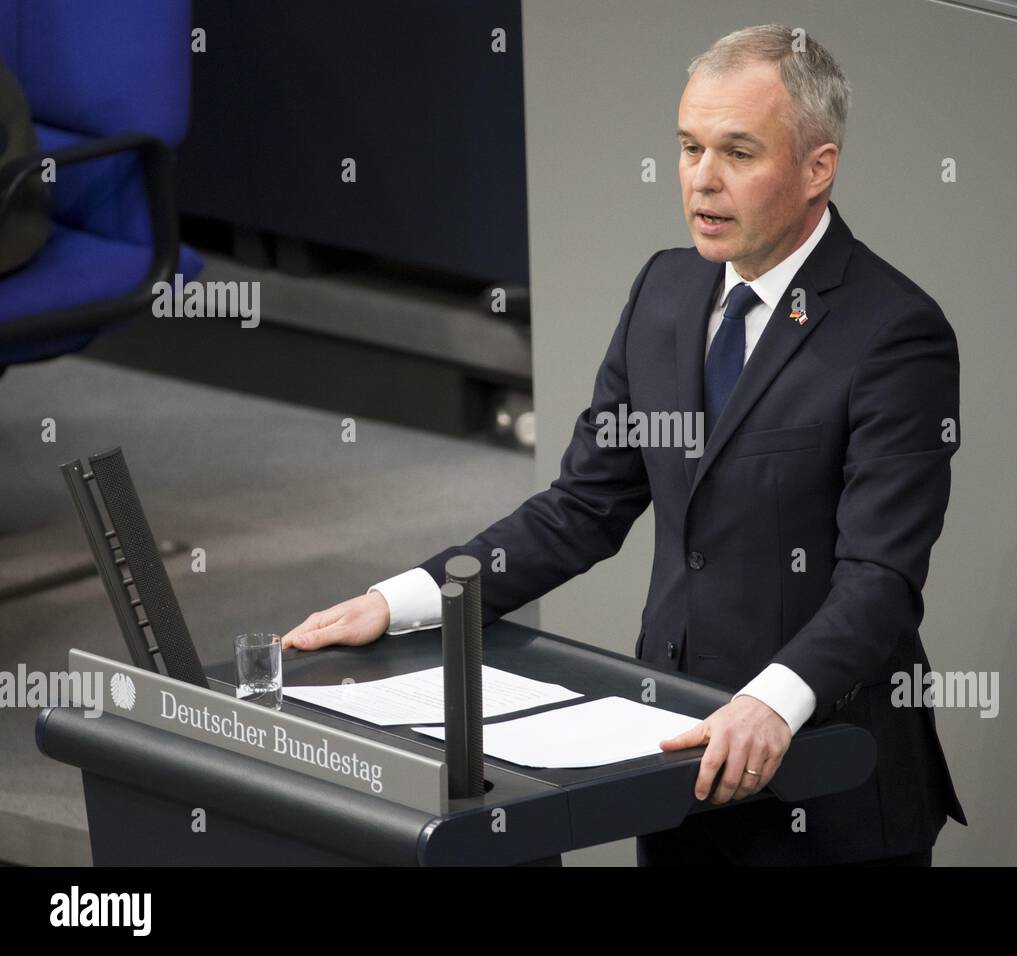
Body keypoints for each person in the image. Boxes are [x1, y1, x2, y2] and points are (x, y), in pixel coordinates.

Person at [283, 23, 966, 866]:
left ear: (818, 167)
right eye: (688, 148)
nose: (701, 181)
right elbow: (583, 506)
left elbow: (881, 579)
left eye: (738, 153)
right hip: (676, 760)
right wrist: (412, 597)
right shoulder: (665, 291)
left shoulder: (893, 332)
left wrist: (773, 703)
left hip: (823, 779)